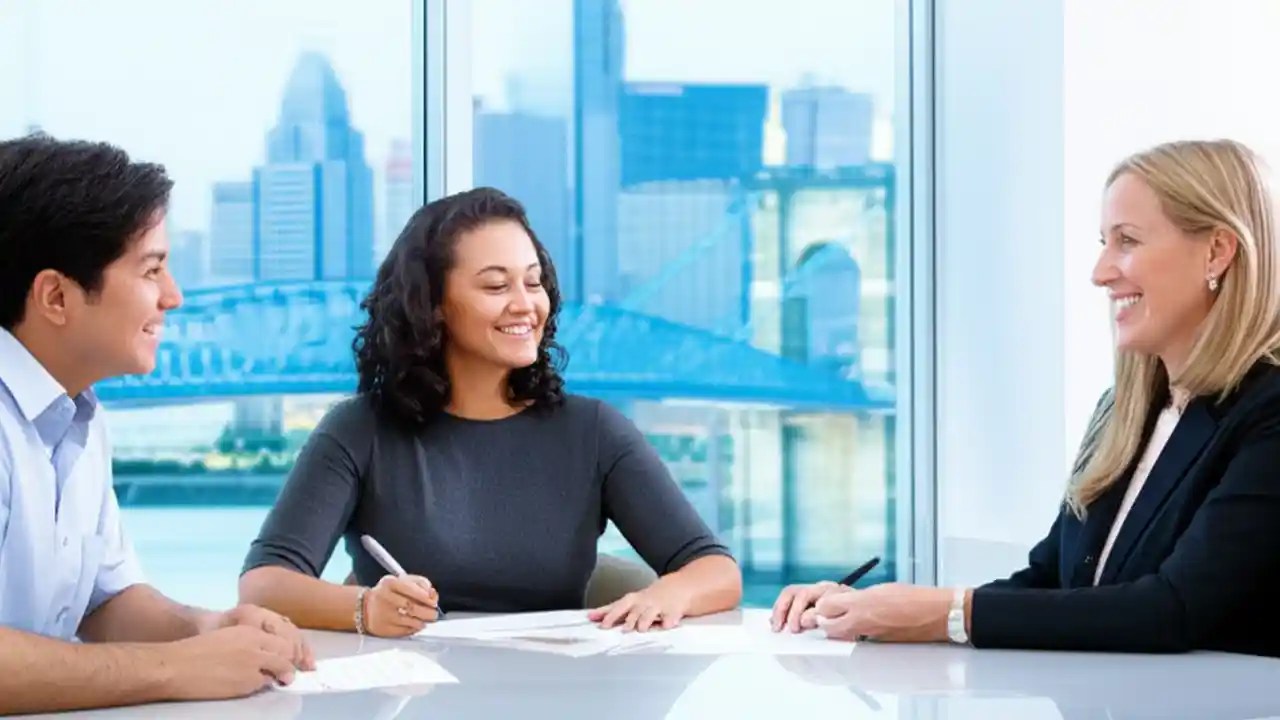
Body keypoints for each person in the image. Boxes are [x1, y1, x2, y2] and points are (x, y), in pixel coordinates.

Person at [772, 138, 1280, 656]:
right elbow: (1053, 582)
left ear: (1217, 250)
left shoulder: (1269, 412)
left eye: (1126, 241)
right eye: (1103, 242)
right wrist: (871, 609)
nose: (1100, 271)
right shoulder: (1123, 412)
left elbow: (1170, 611)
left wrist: (939, 614)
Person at [239, 187, 742, 637]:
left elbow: (715, 569)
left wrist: (667, 594)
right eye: (497, 287)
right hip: (407, 697)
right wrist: (364, 607)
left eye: (534, 282)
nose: (526, 304)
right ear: (432, 303)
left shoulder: (593, 431)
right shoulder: (359, 430)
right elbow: (264, 585)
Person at [0, 135, 314, 715]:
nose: (174, 297)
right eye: (152, 271)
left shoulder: (79, 415)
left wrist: (208, 628)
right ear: (55, 296)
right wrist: (176, 669)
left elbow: (105, 601)